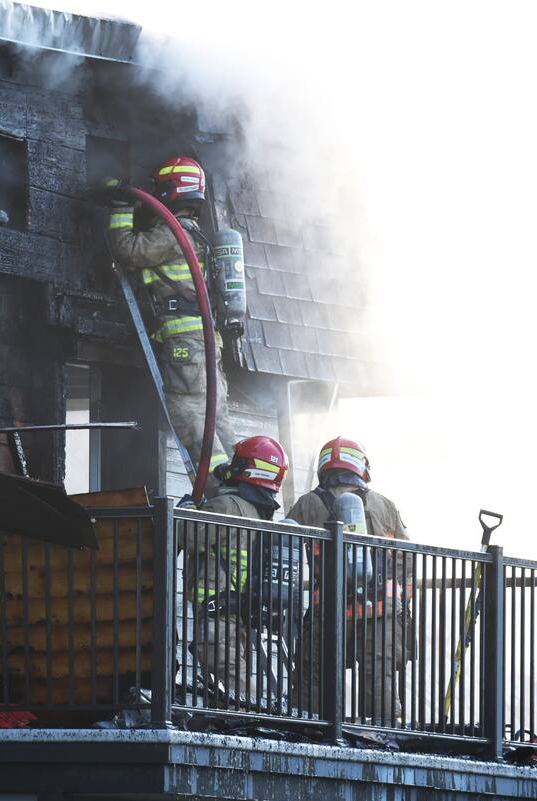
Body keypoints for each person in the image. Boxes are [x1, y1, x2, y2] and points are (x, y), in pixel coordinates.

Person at [105, 156, 236, 488]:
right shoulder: (196, 235)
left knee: (189, 414)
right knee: (216, 418)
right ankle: (237, 485)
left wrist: (121, 207)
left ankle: (216, 491)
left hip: (185, 347)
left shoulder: (171, 233)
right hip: (206, 347)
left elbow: (128, 250)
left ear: (170, 191)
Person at [286, 436, 412, 725]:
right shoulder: (384, 504)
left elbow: (281, 543)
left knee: (313, 673)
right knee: (378, 674)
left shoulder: (308, 504)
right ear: (361, 467)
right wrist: (401, 598)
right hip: (380, 609)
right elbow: (407, 558)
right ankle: (386, 732)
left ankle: (309, 727)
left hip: (329, 607)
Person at [184, 435, 288, 702]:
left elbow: (186, 535)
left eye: (237, 461)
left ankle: (252, 713)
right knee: (224, 676)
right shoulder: (257, 512)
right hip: (234, 611)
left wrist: (185, 511)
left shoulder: (228, 506)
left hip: (216, 610)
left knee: (223, 666)